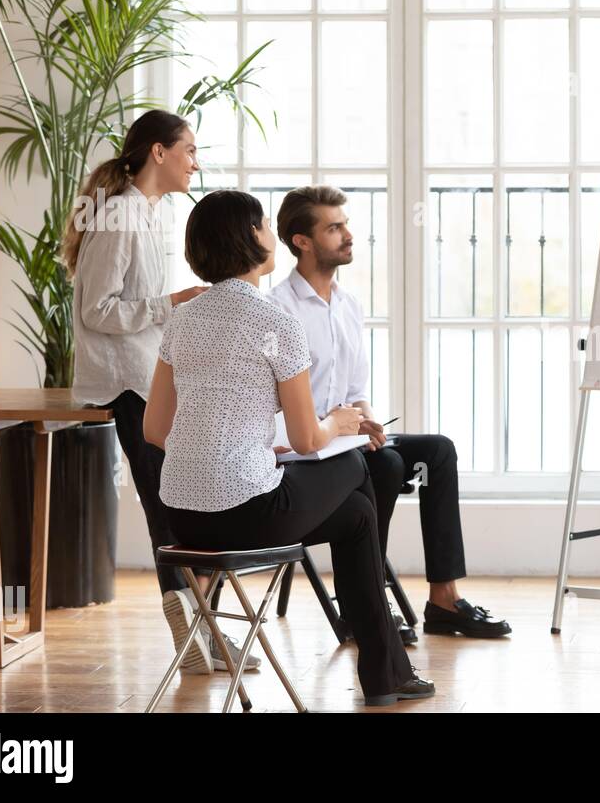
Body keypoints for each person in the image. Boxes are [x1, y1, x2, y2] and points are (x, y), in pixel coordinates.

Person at [143, 189, 432, 705]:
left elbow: (155, 430)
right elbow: (306, 439)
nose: (270, 234)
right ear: (249, 238)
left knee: (357, 515)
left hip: (183, 520)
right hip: (250, 514)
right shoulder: (277, 319)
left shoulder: (182, 319)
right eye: (262, 225)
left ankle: (389, 670)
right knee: (353, 470)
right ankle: (385, 676)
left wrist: (244, 446)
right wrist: (342, 422)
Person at [269, 186, 511, 642]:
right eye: (334, 227)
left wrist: (368, 420)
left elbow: (356, 390)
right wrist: (337, 431)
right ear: (301, 241)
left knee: (436, 452)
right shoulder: (278, 309)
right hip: (308, 450)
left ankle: (444, 598)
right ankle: (366, 608)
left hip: (349, 440)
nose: (348, 235)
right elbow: (274, 409)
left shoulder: (348, 304)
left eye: (346, 224)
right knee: (387, 463)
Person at [65, 109, 252, 674]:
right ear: (159, 153)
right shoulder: (121, 215)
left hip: (146, 377)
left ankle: (204, 634)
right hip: (124, 383)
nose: (197, 162)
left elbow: (133, 310)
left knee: (180, 503)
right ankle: (193, 640)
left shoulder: (147, 213)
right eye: (190, 150)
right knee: (164, 509)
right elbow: (96, 311)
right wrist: (171, 303)